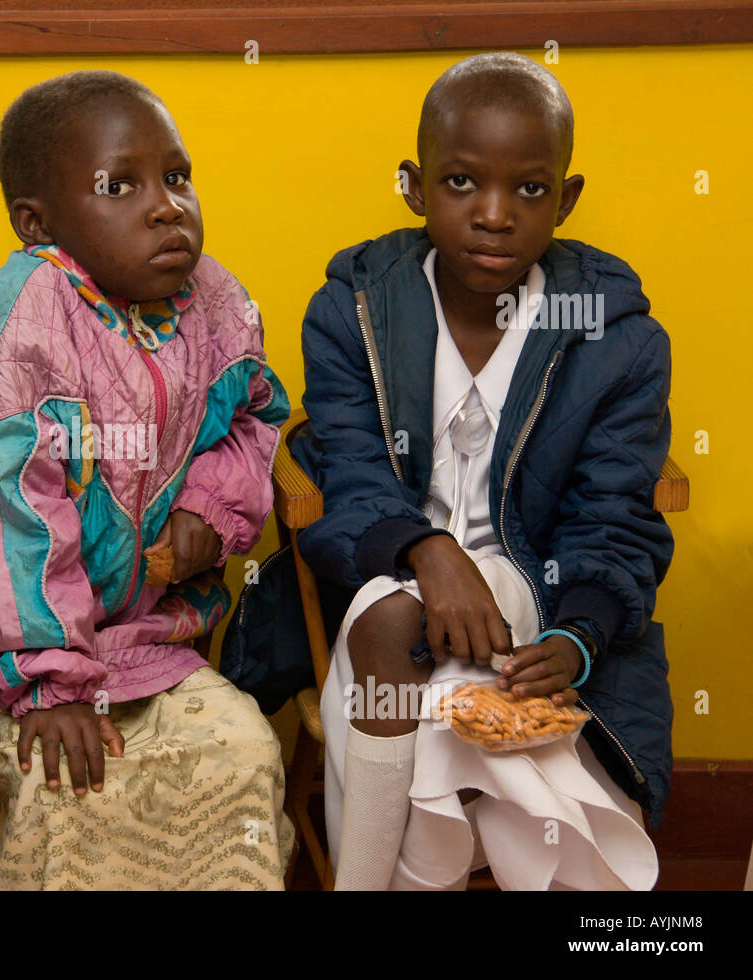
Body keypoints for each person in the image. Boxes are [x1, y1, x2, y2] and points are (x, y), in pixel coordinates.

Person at [0, 70, 294, 889]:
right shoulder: (23, 321)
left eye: (176, 177)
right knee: (69, 785)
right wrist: (50, 679)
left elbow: (256, 416)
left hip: (146, 633)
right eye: (122, 186)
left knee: (244, 748)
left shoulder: (214, 302)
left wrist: (214, 507)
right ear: (39, 225)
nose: (165, 205)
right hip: (3, 651)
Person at [293, 52, 672, 890]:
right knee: (394, 626)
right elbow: (351, 476)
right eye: (461, 182)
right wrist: (430, 552)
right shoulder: (355, 308)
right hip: (386, 570)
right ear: (415, 185)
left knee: (439, 670)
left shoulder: (614, 335)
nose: (494, 216)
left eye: (529, 190)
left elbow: (612, 514)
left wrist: (579, 633)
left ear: (566, 198)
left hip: (536, 583)